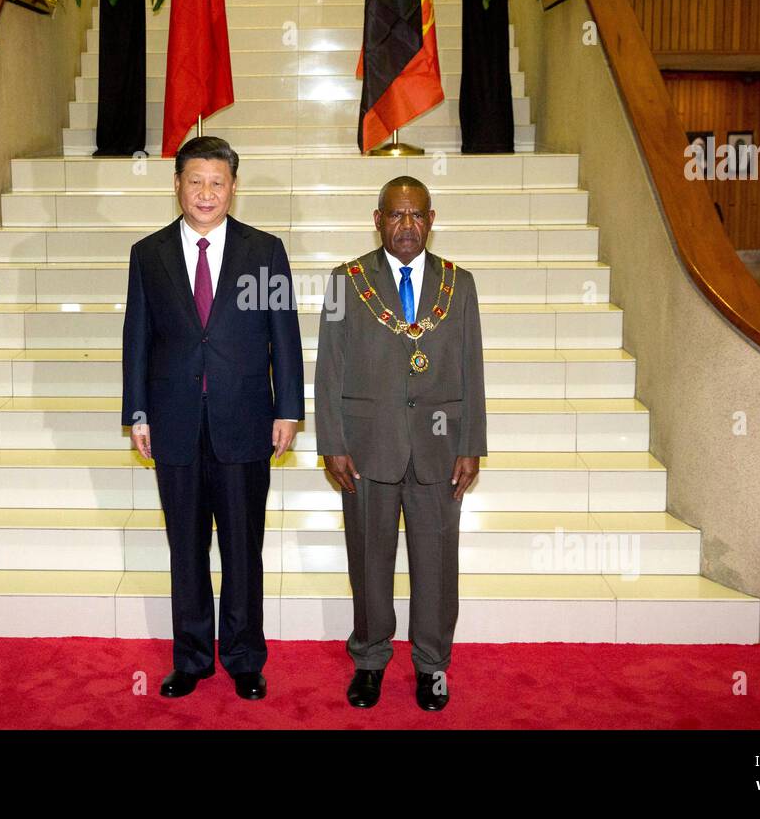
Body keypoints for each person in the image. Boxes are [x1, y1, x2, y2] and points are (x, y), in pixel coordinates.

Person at [121, 135, 304, 700]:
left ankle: (245, 657)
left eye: (217, 183)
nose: (206, 193)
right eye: (195, 182)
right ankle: (193, 658)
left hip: (245, 420)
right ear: (176, 184)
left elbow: (284, 335)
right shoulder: (148, 254)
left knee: (244, 548)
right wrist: (137, 411)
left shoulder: (264, 251)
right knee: (187, 546)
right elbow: (137, 338)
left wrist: (289, 409)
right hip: (173, 422)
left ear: (232, 187)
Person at [314, 176, 487, 711]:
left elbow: (471, 367)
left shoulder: (460, 284)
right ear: (377, 219)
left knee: (437, 563)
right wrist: (332, 443)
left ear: (431, 221)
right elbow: (329, 368)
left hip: (440, 448)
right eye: (396, 215)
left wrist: (471, 443)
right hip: (367, 449)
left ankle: (432, 665)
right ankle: (369, 659)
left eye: (416, 216)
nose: (406, 225)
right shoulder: (347, 282)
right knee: (368, 559)